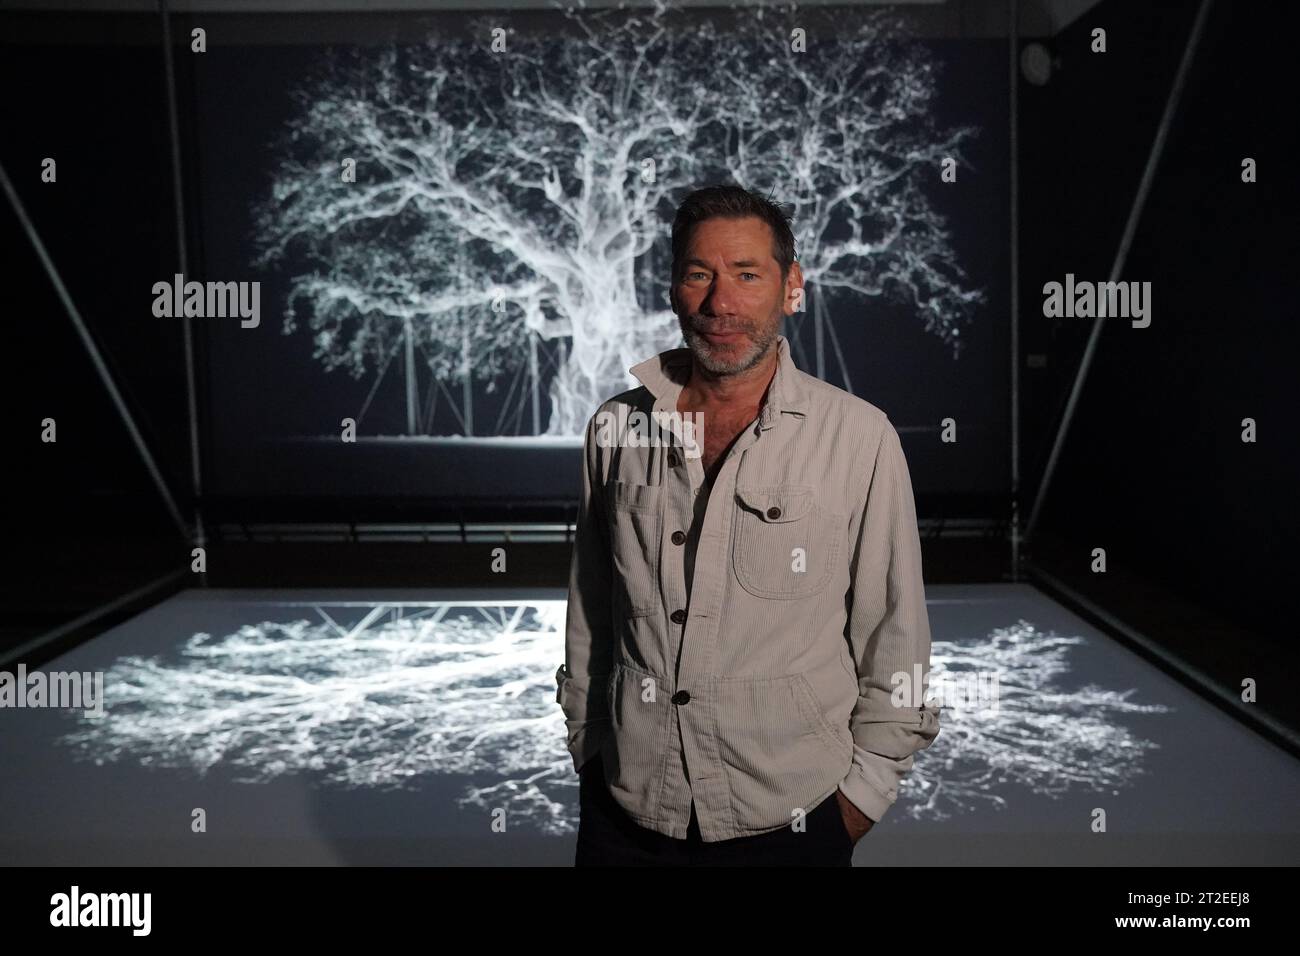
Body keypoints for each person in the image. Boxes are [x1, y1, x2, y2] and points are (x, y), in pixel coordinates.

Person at [556, 184, 940, 866]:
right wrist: (590, 747)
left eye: (747, 275)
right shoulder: (616, 429)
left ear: (791, 286)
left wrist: (857, 803)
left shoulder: (858, 437)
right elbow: (592, 612)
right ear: (674, 287)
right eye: (699, 274)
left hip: (792, 824)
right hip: (625, 818)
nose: (720, 303)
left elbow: (895, 635)